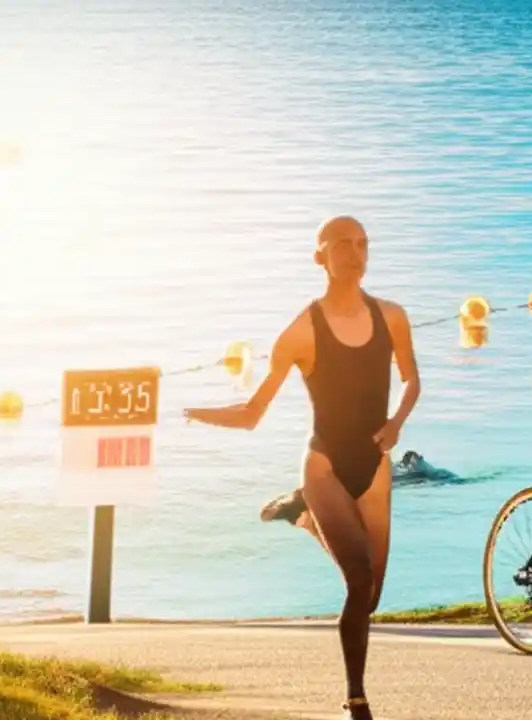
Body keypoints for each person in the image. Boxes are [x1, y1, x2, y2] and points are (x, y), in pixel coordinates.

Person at [184, 216, 421, 720]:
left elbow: (411, 380)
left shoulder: (392, 316)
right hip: (325, 466)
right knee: (358, 580)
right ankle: (356, 699)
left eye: (363, 244)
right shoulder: (300, 331)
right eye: (343, 245)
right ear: (321, 256)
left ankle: (302, 516)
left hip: (374, 467)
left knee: (372, 595)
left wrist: (398, 422)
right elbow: (252, 415)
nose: (355, 253)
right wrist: (198, 414)